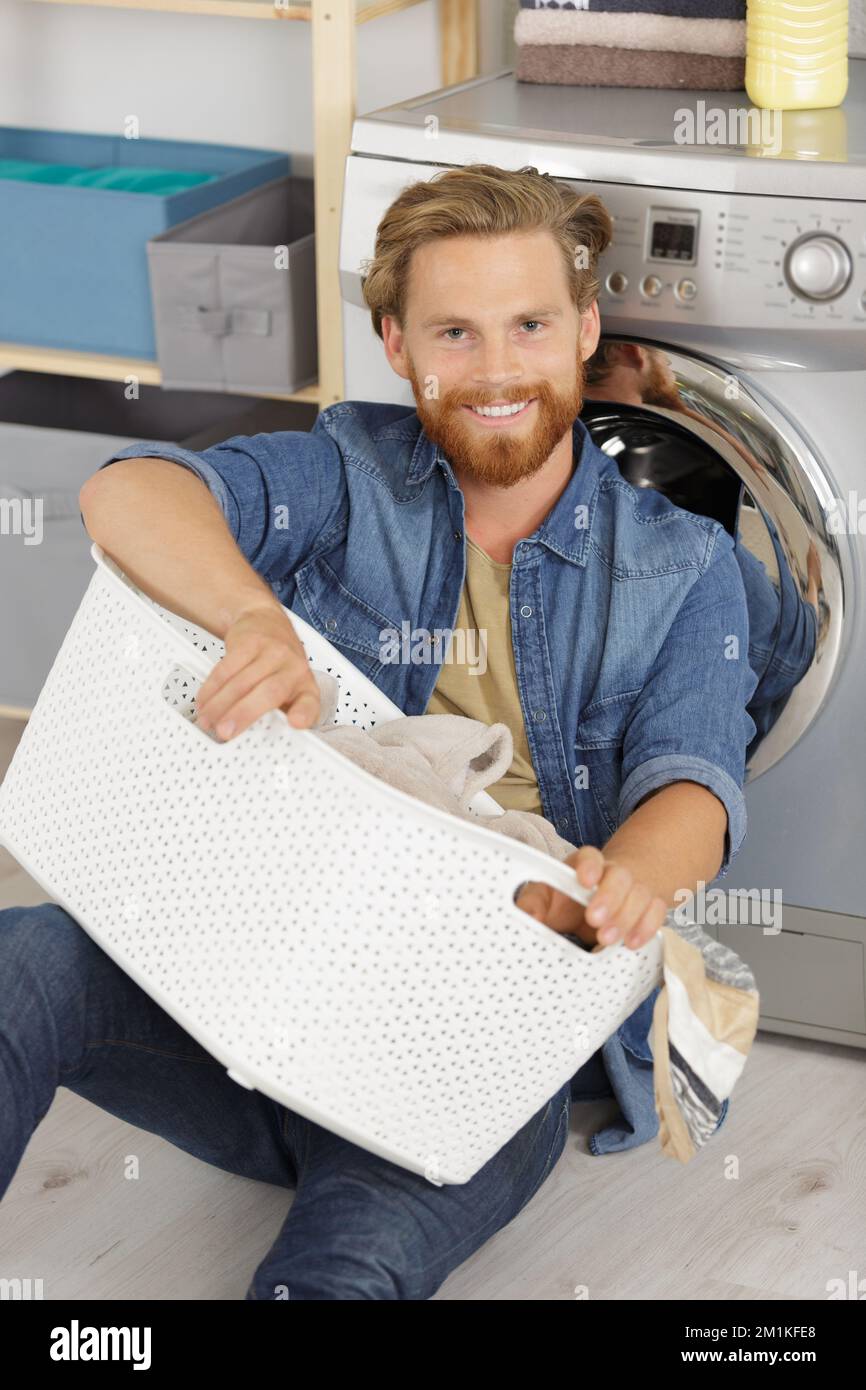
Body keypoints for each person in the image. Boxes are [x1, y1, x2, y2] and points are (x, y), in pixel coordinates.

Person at [0, 164, 757, 1299]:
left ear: (584, 331)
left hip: (463, 1068)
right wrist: (255, 615)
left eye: (529, 325)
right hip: (244, 980)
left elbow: (693, 780)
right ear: (396, 342)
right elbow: (130, 491)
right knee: (26, 960)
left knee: (339, 1274)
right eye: (454, 331)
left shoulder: (685, 567)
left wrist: (624, 882)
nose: (495, 368)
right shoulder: (348, 474)